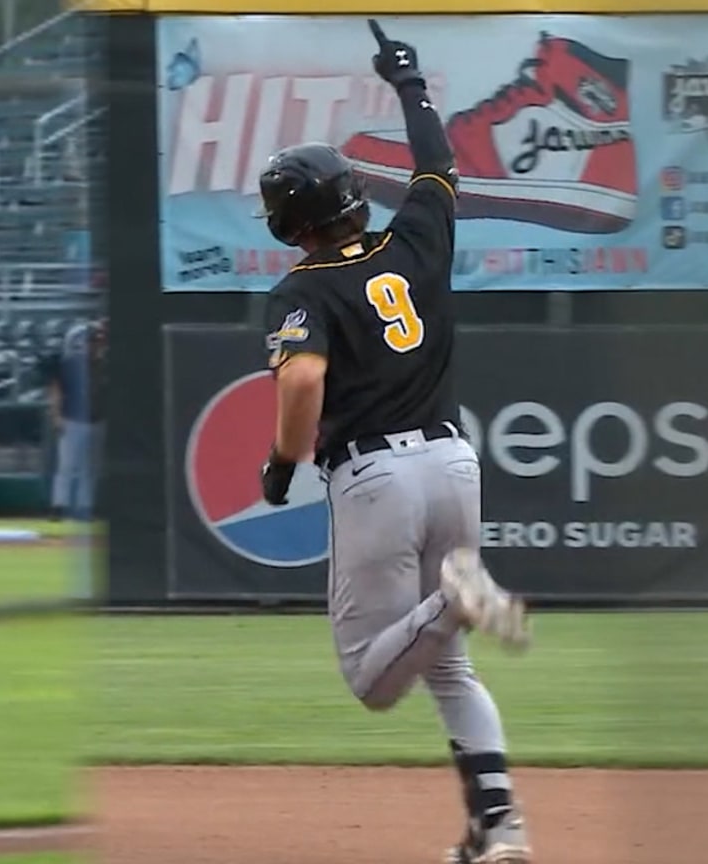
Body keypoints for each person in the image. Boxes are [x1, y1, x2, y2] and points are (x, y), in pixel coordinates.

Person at [256, 22, 532, 864]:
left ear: (290, 222)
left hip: (375, 475)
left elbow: (302, 383)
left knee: (373, 681)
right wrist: (408, 83)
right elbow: (437, 168)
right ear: (348, 195)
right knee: (447, 670)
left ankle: (458, 597)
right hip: (453, 460)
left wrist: (279, 464)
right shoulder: (415, 239)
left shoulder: (302, 286)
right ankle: (499, 827)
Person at [40, 318, 104, 521]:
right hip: (72, 419)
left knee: (89, 469)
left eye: (96, 341)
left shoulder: (105, 364)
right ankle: (59, 506)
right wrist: (56, 415)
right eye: (90, 341)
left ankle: (86, 507)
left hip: (97, 420)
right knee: (67, 466)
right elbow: (56, 390)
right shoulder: (70, 363)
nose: (93, 345)